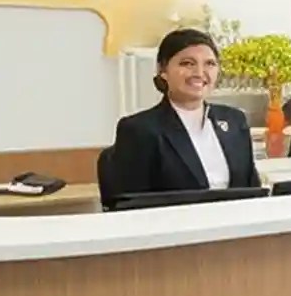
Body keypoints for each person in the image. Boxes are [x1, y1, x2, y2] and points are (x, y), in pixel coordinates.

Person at [108, 28, 260, 196]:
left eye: (209, 63)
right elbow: (131, 206)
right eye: (187, 63)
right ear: (163, 70)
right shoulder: (139, 130)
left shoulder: (234, 121)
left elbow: (253, 191)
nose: (199, 73)